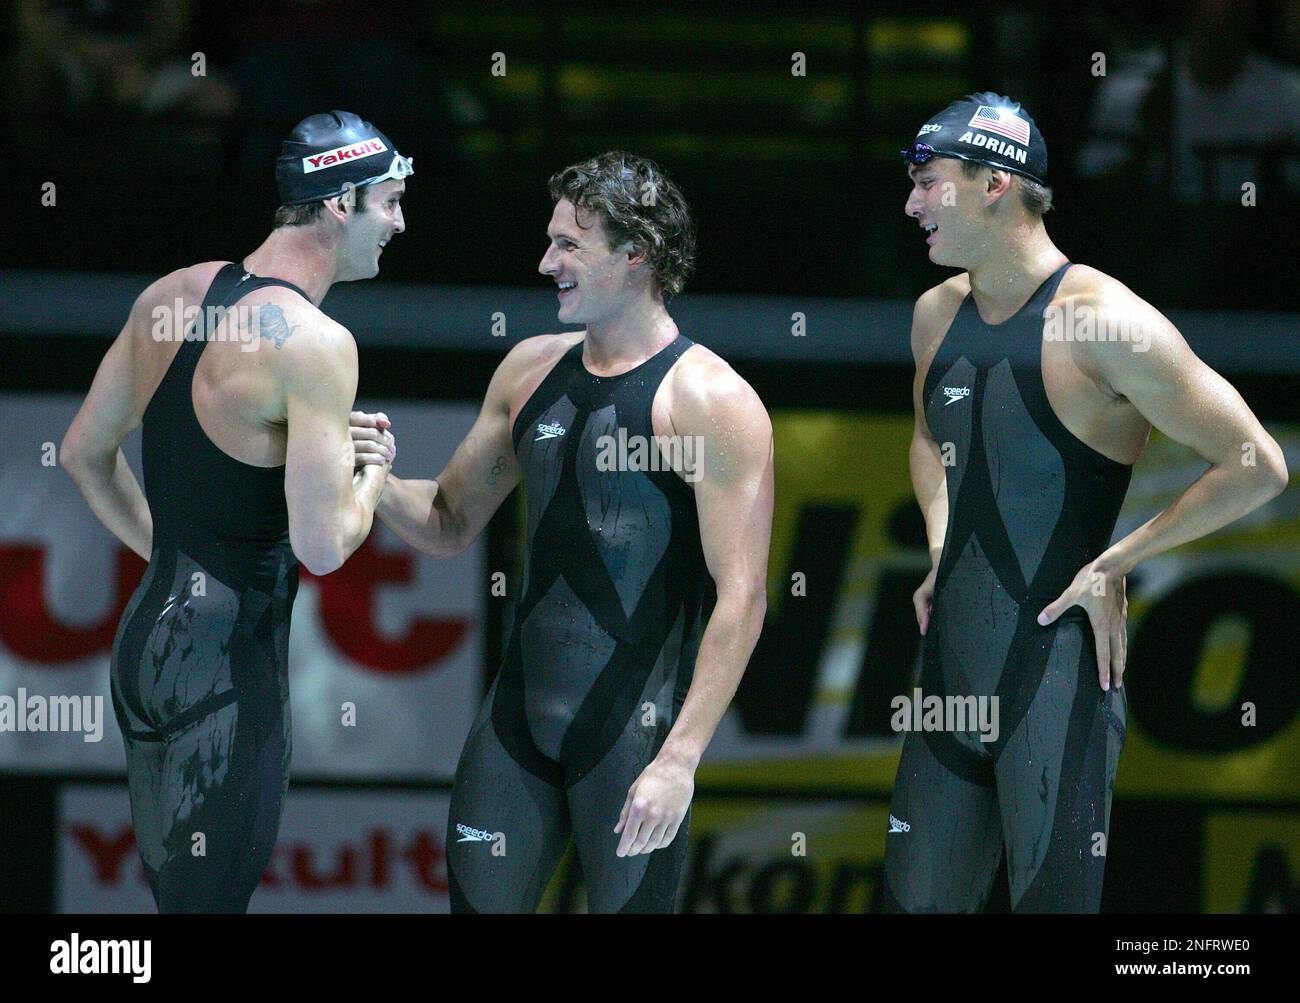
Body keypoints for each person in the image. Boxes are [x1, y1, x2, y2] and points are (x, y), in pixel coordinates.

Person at [887, 93, 1288, 912]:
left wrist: (1117, 560)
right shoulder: (936, 315)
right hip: (947, 681)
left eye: (929, 183)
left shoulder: (1105, 323)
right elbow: (929, 440)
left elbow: (1258, 463)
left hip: (1057, 685)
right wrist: (939, 543)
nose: (911, 204)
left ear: (992, 183)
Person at [358, 151, 773, 913]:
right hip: (516, 723)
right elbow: (449, 522)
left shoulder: (711, 399)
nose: (546, 261)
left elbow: (742, 599)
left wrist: (679, 759)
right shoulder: (527, 371)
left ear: (635, 255)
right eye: (550, 241)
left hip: (633, 735)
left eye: (569, 245)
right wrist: (370, 475)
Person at [60, 110, 410, 913]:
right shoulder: (316, 343)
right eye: (388, 201)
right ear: (338, 202)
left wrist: (171, 561)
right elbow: (323, 548)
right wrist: (372, 470)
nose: (400, 222)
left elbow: (84, 452)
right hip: (225, 665)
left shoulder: (174, 292)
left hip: (149, 642)